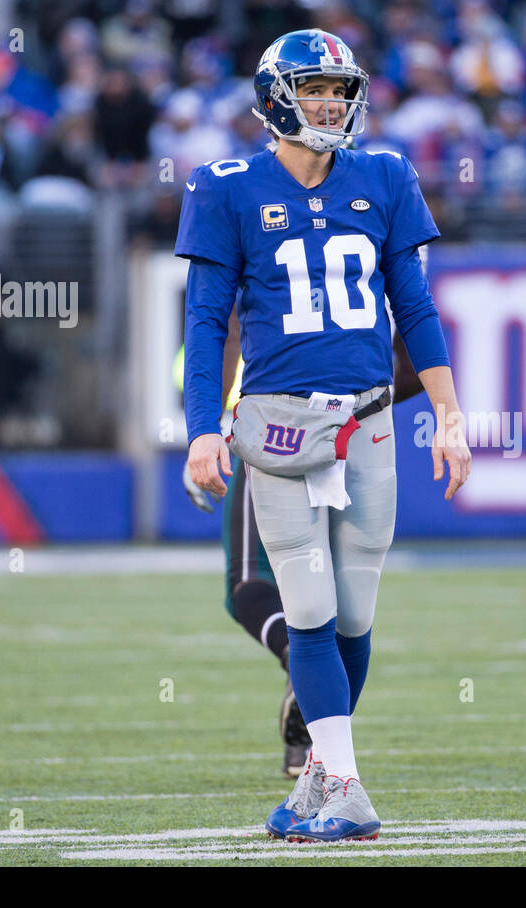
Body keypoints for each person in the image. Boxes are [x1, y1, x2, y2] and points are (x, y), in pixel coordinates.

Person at [177, 29, 470, 842]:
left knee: (351, 617)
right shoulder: (226, 184)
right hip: (277, 427)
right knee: (305, 607)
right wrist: (203, 430)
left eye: (340, 90)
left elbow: (414, 307)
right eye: (313, 89)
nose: (331, 103)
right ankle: (346, 787)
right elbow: (205, 322)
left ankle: (319, 777)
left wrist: (448, 413)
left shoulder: (383, 174)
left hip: (371, 418)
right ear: (275, 96)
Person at [182, 308, 431, 780]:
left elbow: (222, 326)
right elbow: (418, 343)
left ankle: (309, 696)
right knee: (345, 604)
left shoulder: (262, 237)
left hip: (274, 432)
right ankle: (324, 762)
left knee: (251, 587)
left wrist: (206, 429)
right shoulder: (382, 243)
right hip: (363, 434)